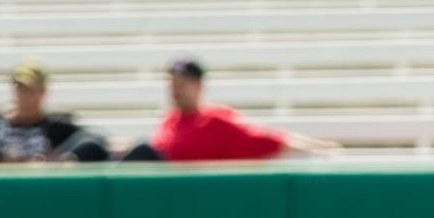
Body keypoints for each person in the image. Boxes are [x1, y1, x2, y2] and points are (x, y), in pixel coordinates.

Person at [137, 57, 340, 161]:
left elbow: (270, 140)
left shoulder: (214, 121)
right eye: (172, 84)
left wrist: (323, 149)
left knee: (142, 152)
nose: (175, 91)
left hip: (187, 196)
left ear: (198, 85)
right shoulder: (170, 119)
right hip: (159, 192)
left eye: (181, 85)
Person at [0, 62, 110, 163]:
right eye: (20, 88)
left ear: (43, 91)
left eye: (31, 89)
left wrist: (62, 159)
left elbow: (95, 139)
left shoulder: (55, 125)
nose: (25, 95)